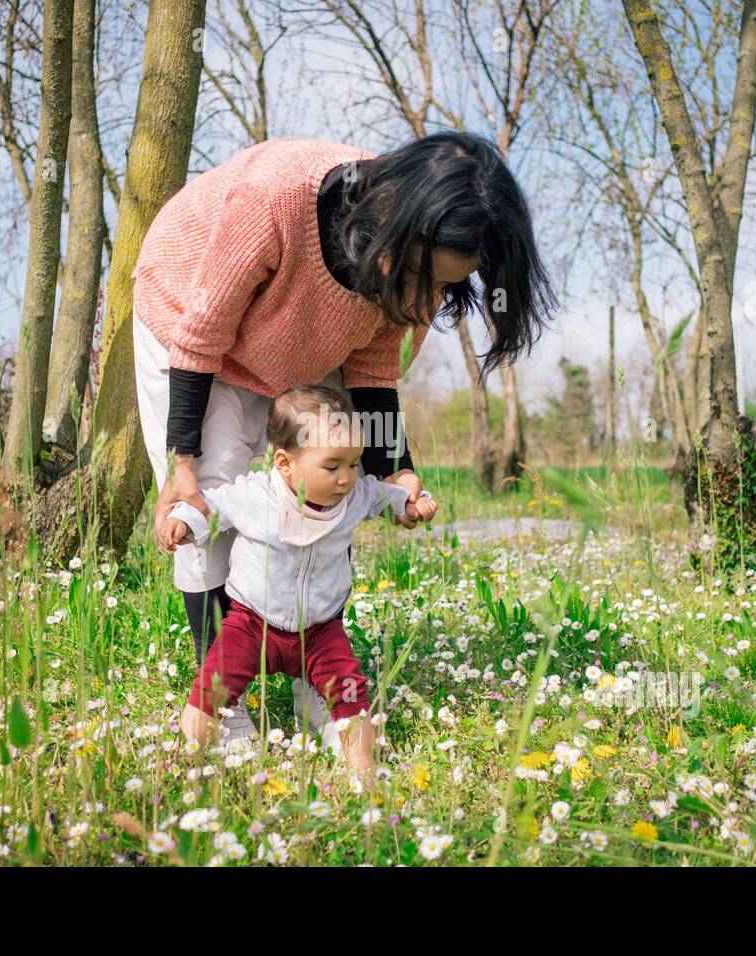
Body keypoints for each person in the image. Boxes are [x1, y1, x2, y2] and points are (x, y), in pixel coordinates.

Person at [133, 131, 555, 733]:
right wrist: (182, 469)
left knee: (329, 488)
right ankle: (222, 696)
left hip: (286, 337)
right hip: (187, 320)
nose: (429, 304)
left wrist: (395, 470)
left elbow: (374, 372)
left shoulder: (399, 276)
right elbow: (200, 337)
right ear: (391, 227)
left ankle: (314, 671)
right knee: (212, 505)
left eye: (448, 288)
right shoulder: (274, 201)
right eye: (424, 278)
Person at [160, 385, 438, 773]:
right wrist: (185, 522)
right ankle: (187, 761)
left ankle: (365, 775)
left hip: (321, 631)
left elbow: (382, 494)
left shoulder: (355, 495)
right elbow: (213, 504)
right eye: (332, 465)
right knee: (210, 689)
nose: (346, 478)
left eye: (353, 464)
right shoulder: (256, 496)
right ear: (285, 463)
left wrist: (410, 499)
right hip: (252, 624)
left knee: (352, 695)